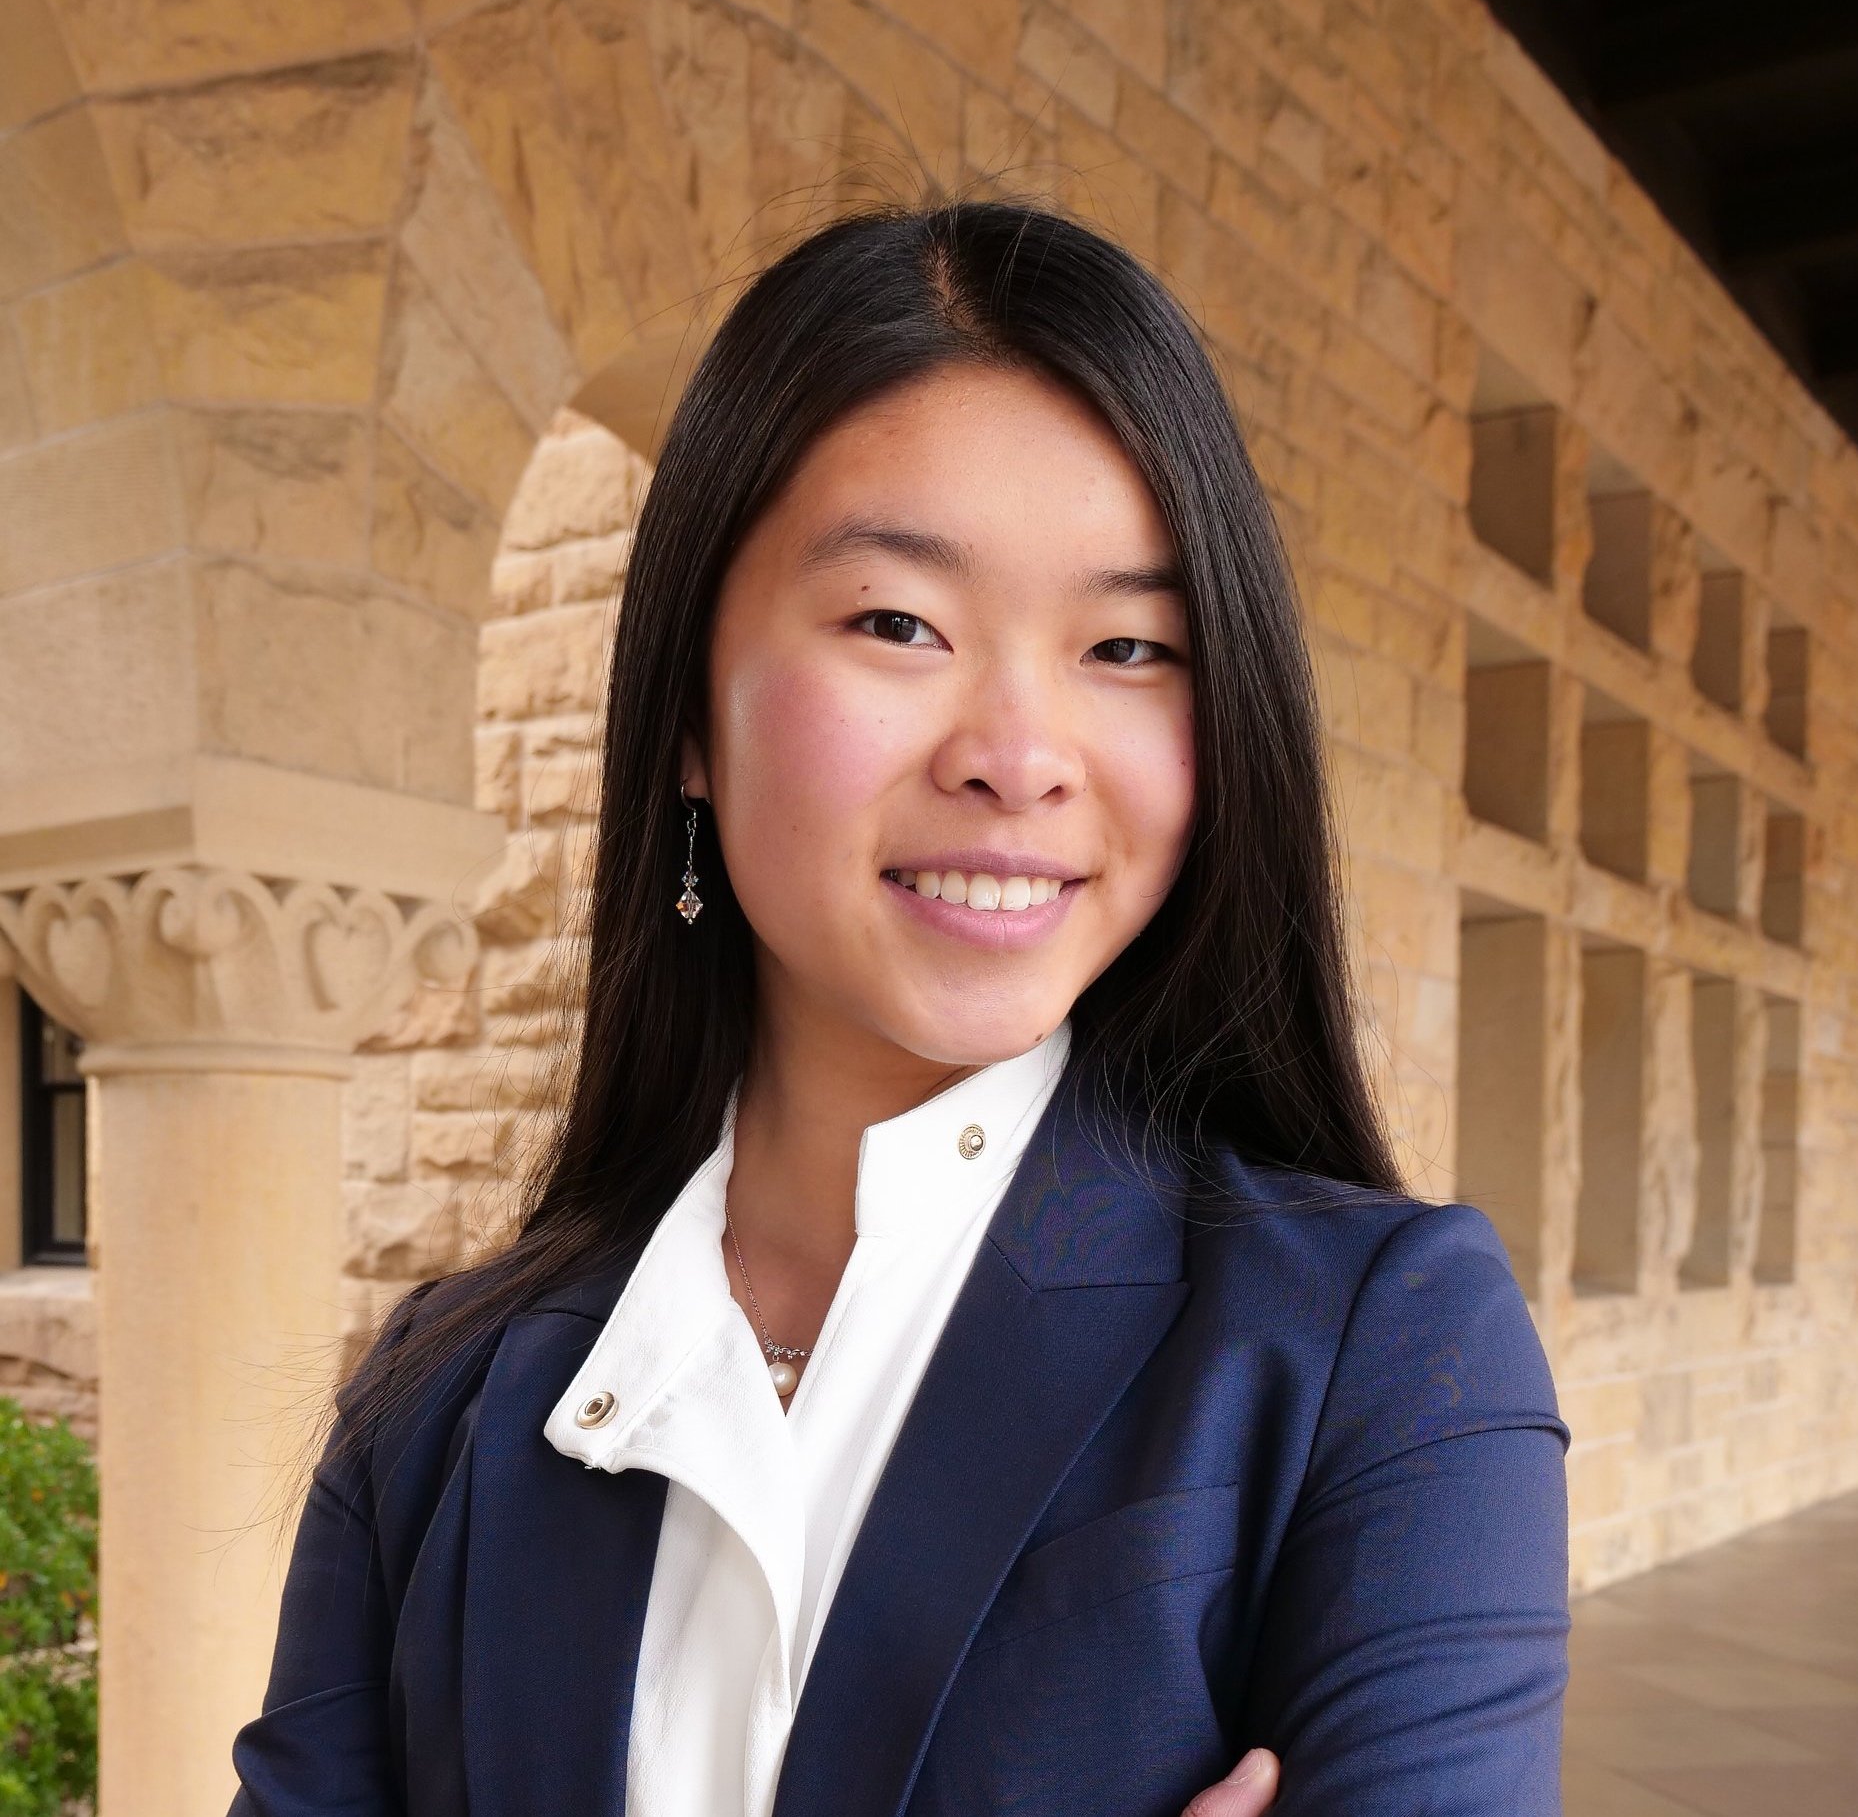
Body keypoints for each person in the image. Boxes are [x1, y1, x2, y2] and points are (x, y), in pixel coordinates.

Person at [228, 198, 1570, 1817]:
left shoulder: (1378, 1351)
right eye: (896, 622)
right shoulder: (439, 1405)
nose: (1019, 748)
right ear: (690, 720)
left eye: (1130, 644)